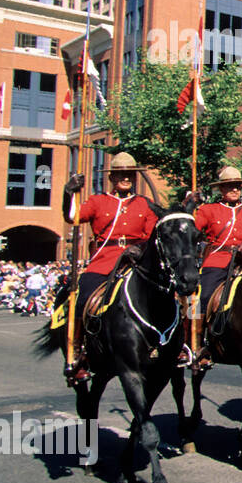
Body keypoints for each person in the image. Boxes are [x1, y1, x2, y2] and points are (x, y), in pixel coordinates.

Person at [58, 152, 159, 382]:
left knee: (166, 296)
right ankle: (77, 353)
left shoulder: (145, 204)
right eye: (121, 174)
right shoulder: (97, 201)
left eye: (130, 174)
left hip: (136, 262)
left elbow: (152, 235)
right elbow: (73, 216)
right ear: (112, 177)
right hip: (104, 261)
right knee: (80, 297)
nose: (126, 178)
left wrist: (140, 250)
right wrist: (68, 192)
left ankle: (169, 346)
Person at [192, 165, 242, 364]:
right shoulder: (208, 210)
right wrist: (189, 208)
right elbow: (192, 231)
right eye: (230, 186)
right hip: (217, 261)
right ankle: (198, 344)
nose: (235, 190)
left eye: (238, 186)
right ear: (221, 189)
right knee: (201, 297)